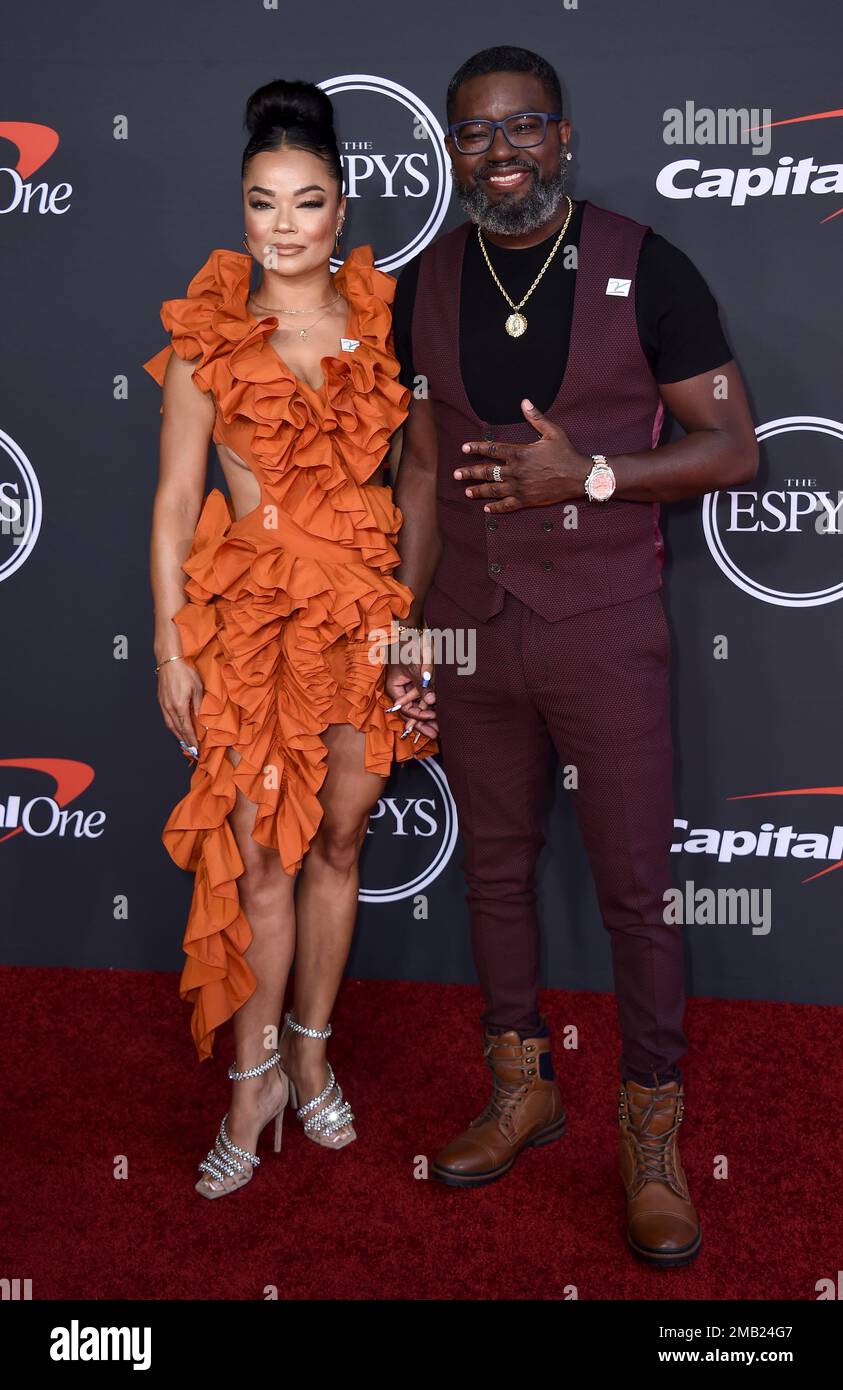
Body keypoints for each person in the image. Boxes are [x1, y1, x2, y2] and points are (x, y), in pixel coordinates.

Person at [385, 45, 758, 1266]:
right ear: (451, 153)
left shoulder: (648, 267)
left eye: (524, 127)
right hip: (473, 622)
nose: (500, 152)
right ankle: (522, 1085)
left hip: (603, 626)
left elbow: (733, 448)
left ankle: (651, 1133)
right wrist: (409, 620)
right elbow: (428, 468)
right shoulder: (426, 281)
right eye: (475, 134)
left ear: (564, 138)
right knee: (493, 871)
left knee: (638, 895)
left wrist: (593, 475)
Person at [144, 77, 438, 1199]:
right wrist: (173, 647)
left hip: (359, 623)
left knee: (340, 849)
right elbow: (175, 502)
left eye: (306, 202)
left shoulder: (383, 323)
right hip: (250, 630)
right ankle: (251, 1075)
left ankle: (314, 1049)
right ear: (242, 208)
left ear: (342, 209)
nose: (283, 225)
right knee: (261, 860)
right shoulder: (210, 331)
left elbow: (417, 487)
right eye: (263, 201)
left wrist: (409, 629)